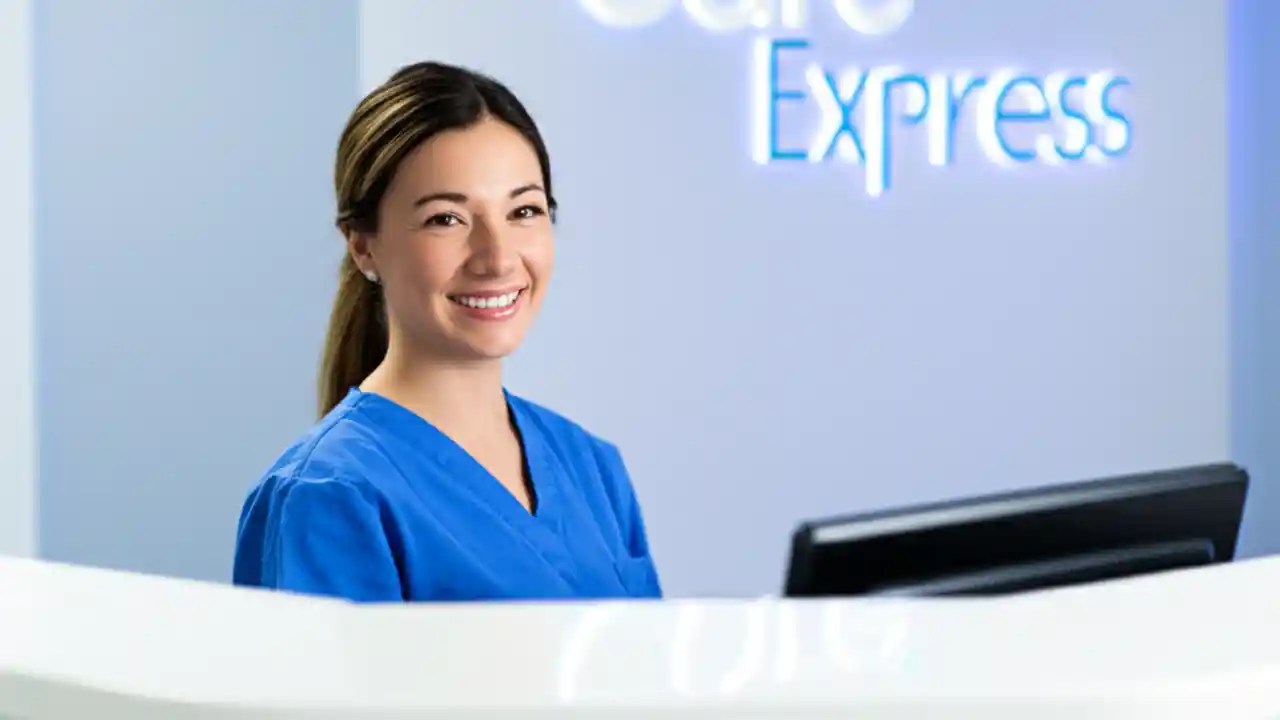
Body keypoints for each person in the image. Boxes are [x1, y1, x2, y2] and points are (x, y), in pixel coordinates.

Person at [232, 62, 661, 602]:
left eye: (524, 210)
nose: (498, 257)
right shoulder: (328, 495)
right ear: (363, 245)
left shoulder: (591, 467)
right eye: (446, 219)